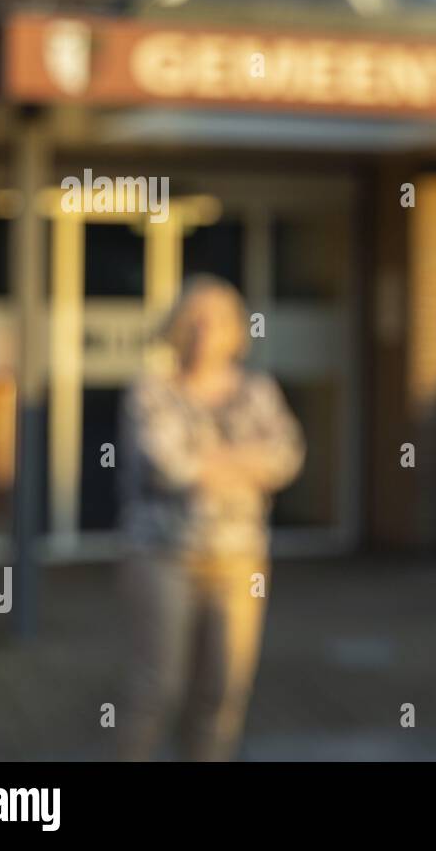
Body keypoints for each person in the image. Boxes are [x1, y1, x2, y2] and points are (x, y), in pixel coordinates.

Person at [116, 274, 305, 761]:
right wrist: (246, 462)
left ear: (236, 332)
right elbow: (170, 466)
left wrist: (207, 458)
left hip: (239, 562)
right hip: (163, 557)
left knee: (222, 695)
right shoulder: (151, 391)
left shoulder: (258, 391)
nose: (204, 332)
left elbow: (287, 456)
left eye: (217, 321)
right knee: (157, 690)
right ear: (177, 327)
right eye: (194, 320)